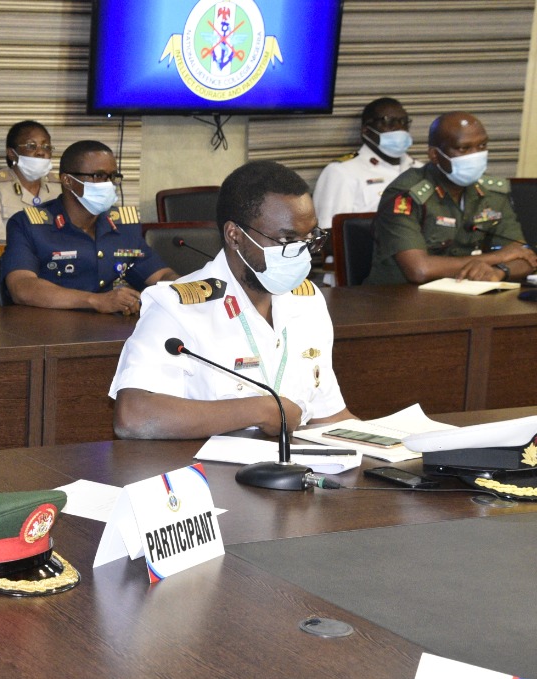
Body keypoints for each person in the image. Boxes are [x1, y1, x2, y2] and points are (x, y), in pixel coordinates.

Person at [110, 160, 356, 440]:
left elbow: (329, 416)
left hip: (294, 474)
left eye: (309, 238)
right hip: (211, 475)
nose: (303, 253)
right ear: (235, 236)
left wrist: (393, 450)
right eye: (287, 240)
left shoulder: (308, 301)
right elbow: (133, 416)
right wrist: (260, 410)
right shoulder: (179, 306)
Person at [3, 140, 176, 314]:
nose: (108, 184)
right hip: (51, 331)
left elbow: (160, 275)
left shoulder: (123, 226)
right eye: (98, 176)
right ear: (68, 181)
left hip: (113, 331)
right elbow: (22, 287)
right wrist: (95, 301)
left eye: (112, 177)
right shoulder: (29, 224)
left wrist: (183, 286)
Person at [366, 111, 537, 285]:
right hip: (397, 300)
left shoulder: (492, 192)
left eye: (482, 145)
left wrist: (499, 272)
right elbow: (419, 270)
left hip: (466, 299)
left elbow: (525, 257)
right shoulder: (407, 194)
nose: (475, 155)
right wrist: (498, 257)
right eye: (463, 148)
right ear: (435, 155)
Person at [0, 120, 61, 286]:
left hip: (53, 282)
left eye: (46, 147)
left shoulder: (59, 188)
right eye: (31, 146)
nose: (40, 153)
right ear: (12, 153)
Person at [313, 97, 417, 230]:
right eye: (390, 122)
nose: (399, 129)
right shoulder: (341, 172)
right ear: (366, 130)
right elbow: (330, 234)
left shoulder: (421, 169)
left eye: (404, 122)